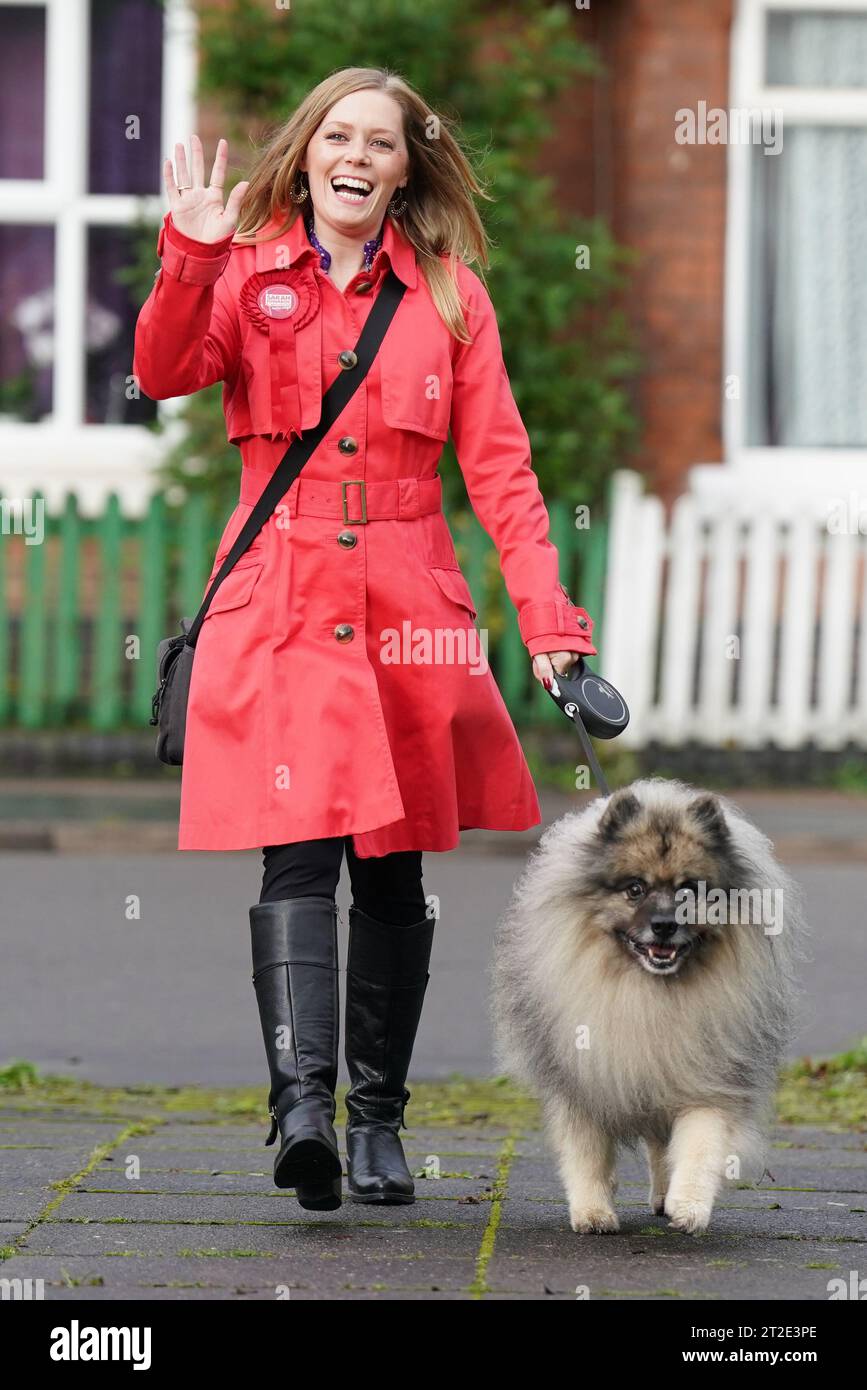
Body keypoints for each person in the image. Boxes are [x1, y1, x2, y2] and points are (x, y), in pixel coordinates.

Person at [133, 66, 597, 1213]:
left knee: (393, 869)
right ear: (304, 155)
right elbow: (161, 369)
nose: (357, 155)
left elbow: (502, 472)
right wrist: (190, 253)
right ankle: (302, 1114)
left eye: (380, 143)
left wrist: (550, 625)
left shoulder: (450, 297)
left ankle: (378, 1119)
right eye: (336, 135)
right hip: (280, 600)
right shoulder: (244, 277)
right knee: (294, 854)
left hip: (407, 613)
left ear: (406, 164)